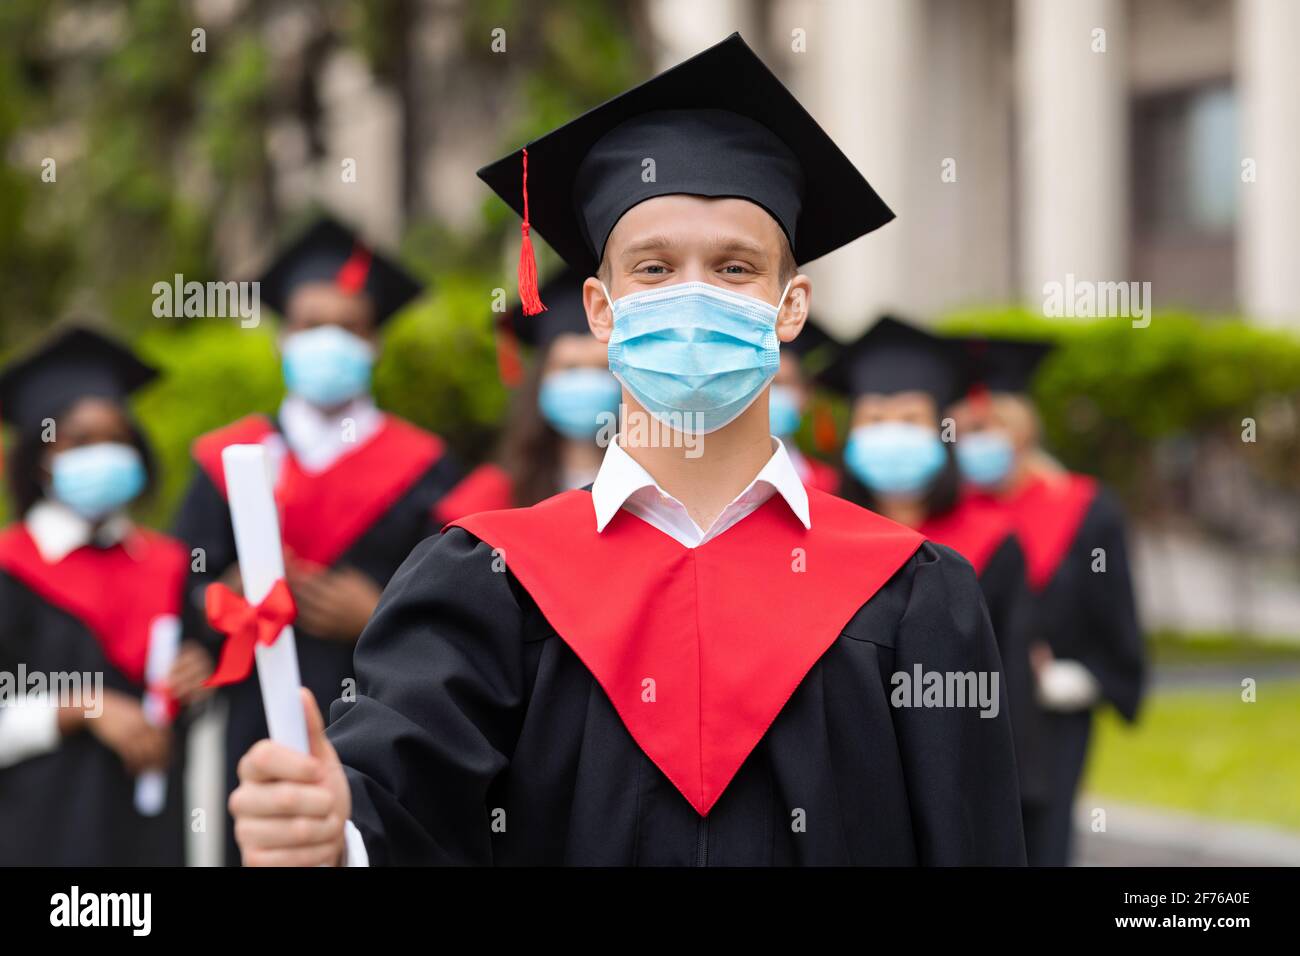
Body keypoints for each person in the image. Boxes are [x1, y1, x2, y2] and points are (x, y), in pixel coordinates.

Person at [229, 33, 1024, 866]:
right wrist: (331, 838)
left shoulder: (911, 598)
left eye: (734, 267)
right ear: (600, 311)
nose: (692, 293)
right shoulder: (491, 583)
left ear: (790, 310)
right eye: (653, 268)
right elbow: (399, 806)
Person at [172, 215, 462, 864]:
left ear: (375, 343)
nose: (328, 341)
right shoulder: (227, 457)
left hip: (384, 710)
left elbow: (456, 593)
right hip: (252, 714)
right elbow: (182, 584)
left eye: (349, 327)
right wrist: (220, 596)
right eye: (310, 324)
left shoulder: (424, 466)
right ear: (282, 337)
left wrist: (379, 610)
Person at [0, 325, 208, 865]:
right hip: (35, 836)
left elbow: (195, 712)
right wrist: (82, 710)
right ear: (41, 457)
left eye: (117, 439)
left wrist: (198, 675)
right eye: (80, 441)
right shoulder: (9, 569)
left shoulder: (168, 567)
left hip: (149, 838)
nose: (105, 455)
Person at [820, 315, 1037, 812]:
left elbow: (1012, 686)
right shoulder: (809, 537)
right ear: (849, 430)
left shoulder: (992, 543)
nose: (890, 431)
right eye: (874, 419)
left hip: (960, 783)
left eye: (910, 419)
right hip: (839, 787)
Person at [947, 334, 1146, 866]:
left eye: (986, 429)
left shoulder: (1085, 508)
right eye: (962, 431)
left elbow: (1116, 614)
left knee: (1044, 843)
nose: (972, 443)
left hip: (1051, 717)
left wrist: (1088, 677)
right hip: (960, 708)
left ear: (1022, 428)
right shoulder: (947, 516)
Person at [435, 270, 618, 520]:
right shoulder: (492, 499)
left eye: (602, 369)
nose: (587, 381)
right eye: (570, 367)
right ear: (541, 379)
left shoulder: (657, 492)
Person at [768, 316, 841, 493]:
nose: (767, 395)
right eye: (761, 383)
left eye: (780, 383)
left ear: (806, 396)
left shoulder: (829, 484)